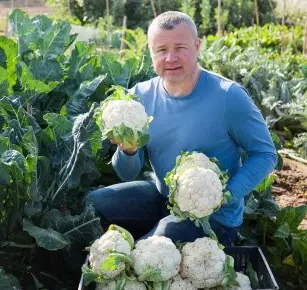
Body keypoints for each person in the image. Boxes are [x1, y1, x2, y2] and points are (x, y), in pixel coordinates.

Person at [85, 11, 277, 246]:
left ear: (197, 46)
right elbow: (127, 173)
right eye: (161, 50)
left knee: (148, 248)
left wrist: (223, 195)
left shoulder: (229, 97)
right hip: (163, 196)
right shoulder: (140, 96)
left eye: (180, 47)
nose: (170, 58)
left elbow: (265, 154)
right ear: (151, 53)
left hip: (213, 217)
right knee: (92, 205)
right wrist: (128, 151)